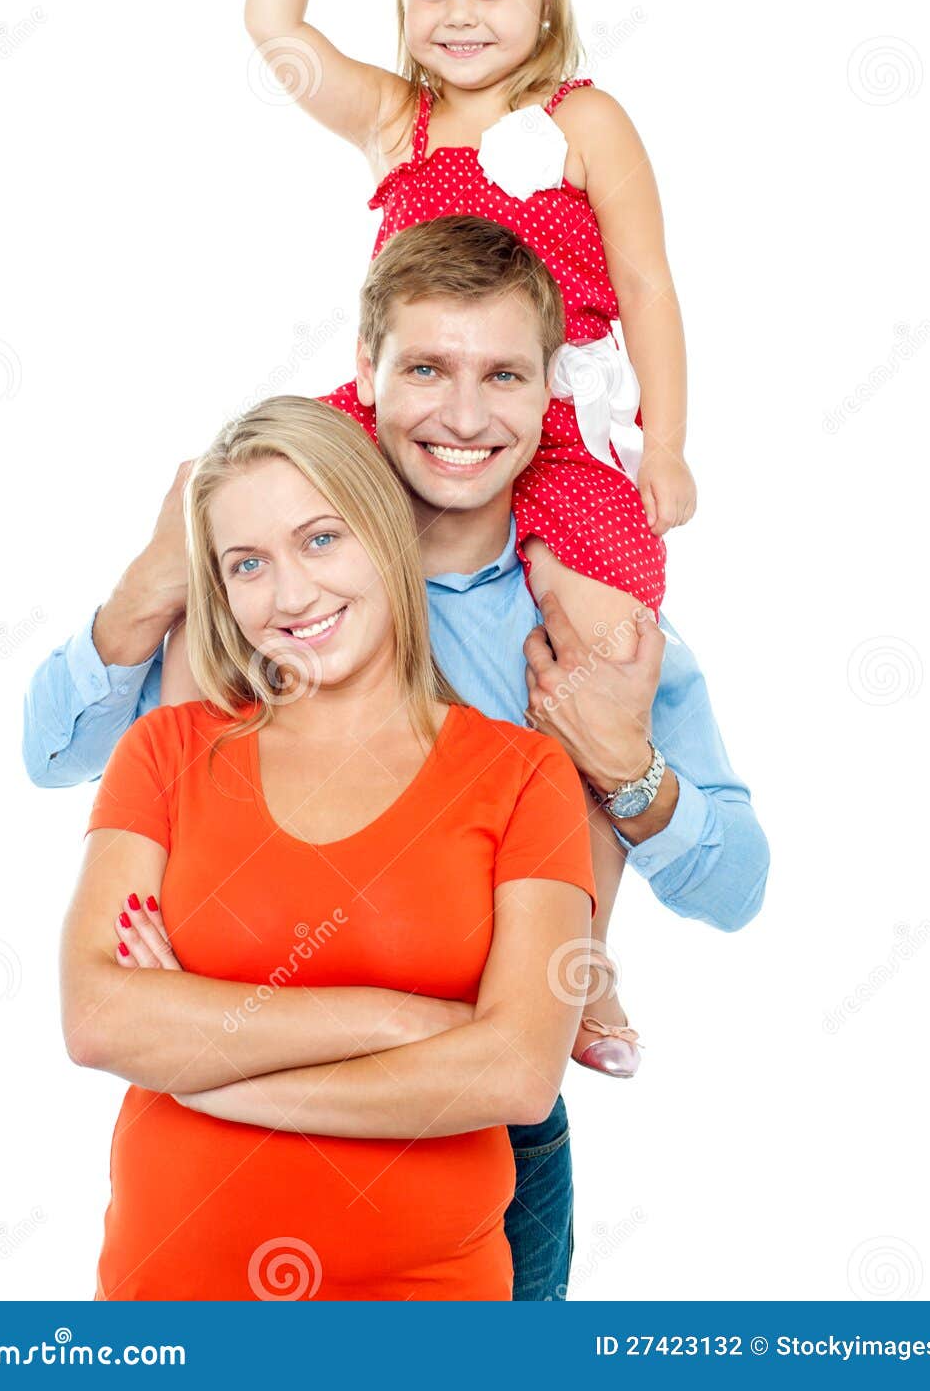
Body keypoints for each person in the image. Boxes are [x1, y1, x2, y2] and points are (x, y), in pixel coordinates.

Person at [24, 213, 769, 1302]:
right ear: (366, 372)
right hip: (212, 1155)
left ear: (548, 391)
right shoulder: (277, 576)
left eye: (504, 375)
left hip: (466, 1139)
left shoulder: (593, 628)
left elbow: (737, 888)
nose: (464, 416)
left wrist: (625, 765)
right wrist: (156, 578)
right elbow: (58, 756)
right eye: (426, 367)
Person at [243, 0, 697, 1059]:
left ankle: (579, 956)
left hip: (554, 420)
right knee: (267, 509)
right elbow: (271, 30)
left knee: (604, 651)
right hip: (403, 417)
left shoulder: (586, 117)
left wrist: (662, 441)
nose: (458, 13)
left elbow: (652, 279)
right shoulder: (400, 121)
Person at [60, 396, 597, 1300]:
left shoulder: (522, 774)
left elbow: (513, 1072)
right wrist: (396, 1023)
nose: (293, 595)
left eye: (319, 540)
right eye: (248, 564)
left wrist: (210, 1073)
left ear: (385, 533)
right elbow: (99, 1019)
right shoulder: (167, 751)